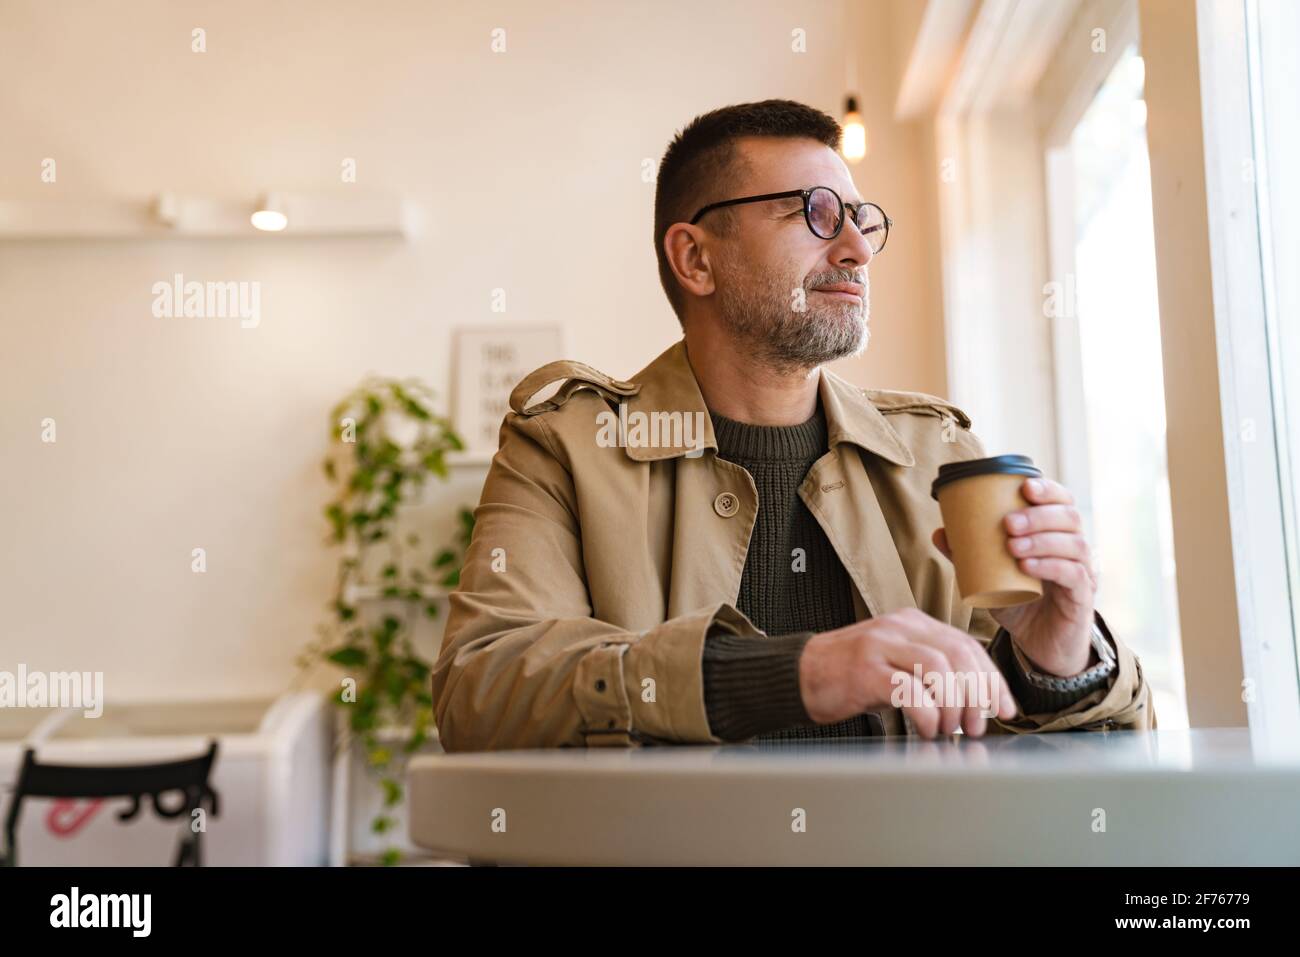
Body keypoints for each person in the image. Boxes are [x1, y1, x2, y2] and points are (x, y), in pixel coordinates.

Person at [431, 99, 1154, 751]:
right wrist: (797, 672)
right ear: (695, 257)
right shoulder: (563, 448)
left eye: (862, 220)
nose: (858, 250)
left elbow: (1054, 758)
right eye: (815, 213)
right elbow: (482, 688)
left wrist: (1059, 662)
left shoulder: (938, 453)